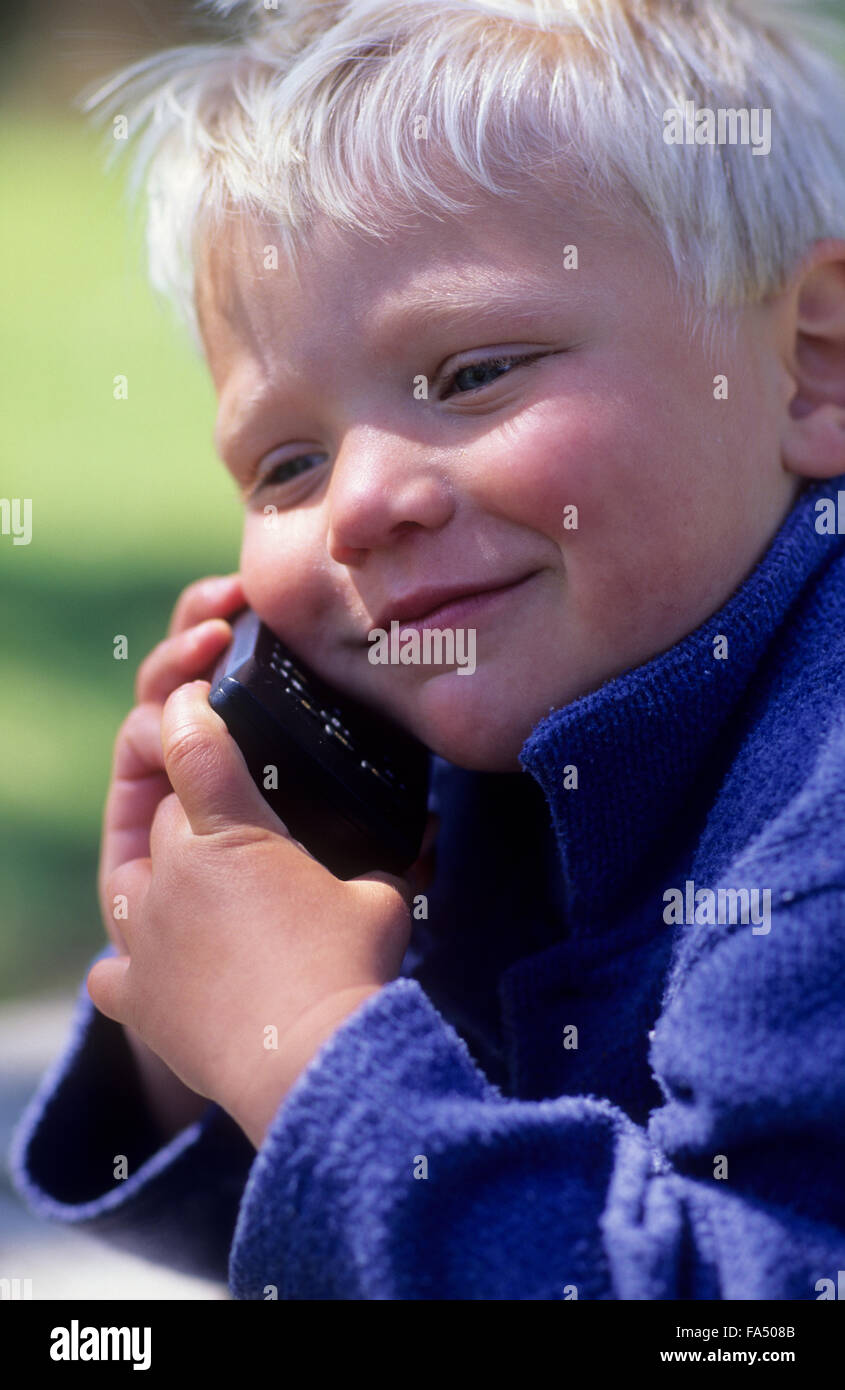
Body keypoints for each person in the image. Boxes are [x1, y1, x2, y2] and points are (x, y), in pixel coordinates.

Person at [10, 0, 845, 1299]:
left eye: (471, 376)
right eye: (287, 462)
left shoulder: (819, 818)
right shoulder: (498, 758)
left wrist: (317, 1050)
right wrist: (206, 1023)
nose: (356, 505)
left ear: (812, 364)